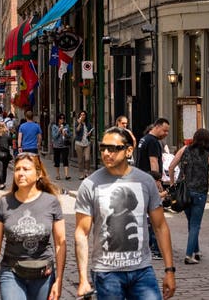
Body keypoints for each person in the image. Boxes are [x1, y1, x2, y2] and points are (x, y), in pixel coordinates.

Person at [74, 126, 176, 300]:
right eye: (103, 148)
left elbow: (160, 227)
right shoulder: (90, 184)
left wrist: (169, 270)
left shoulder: (145, 181)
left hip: (142, 270)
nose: (106, 153)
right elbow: (81, 233)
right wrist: (83, 279)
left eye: (113, 148)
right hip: (106, 272)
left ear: (129, 151)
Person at [0, 153, 66, 300]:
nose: (20, 173)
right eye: (17, 169)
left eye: (26, 169)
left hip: (43, 274)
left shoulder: (51, 202)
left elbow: (60, 244)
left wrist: (59, 281)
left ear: (38, 174)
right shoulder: (4, 203)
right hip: (12, 272)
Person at [168, 127, 209, 265]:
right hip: (200, 194)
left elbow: (171, 167)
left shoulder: (185, 149)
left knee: (192, 224)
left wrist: (173, 184)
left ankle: (196, 251)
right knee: (195, 225)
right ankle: (188, 255)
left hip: (184, 192)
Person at [135, 119, 170, 259]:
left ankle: (147, 245)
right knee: (155, 214)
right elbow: (153, 161)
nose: (166, 133)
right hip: (148, 181)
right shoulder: (153, 142)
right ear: (156, 127)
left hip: (140, 180)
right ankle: (156, 247)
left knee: (146, 214)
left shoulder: (144, 139)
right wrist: (157, 180)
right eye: (164, 130)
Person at [0, 121, 14, 189]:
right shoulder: (7, 135)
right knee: (5, 169)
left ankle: (1, 184)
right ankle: (4, 182)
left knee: (0, 169)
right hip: (6, 154)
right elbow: (11, 144)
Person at [50, 114, 71, 181]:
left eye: (63, 118)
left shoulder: (66, 126)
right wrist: (59, 130)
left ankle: (67, 175)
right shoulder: (54, 126)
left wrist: (66, 134)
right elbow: (54, 136)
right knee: (57, 160)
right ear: (58, 119)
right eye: (60, 118)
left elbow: (70, 135)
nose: (62, 120)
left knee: (65, 159)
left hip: (65, 145)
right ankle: (58, 175)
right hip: (57, 146)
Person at [74, 111, 93, 179]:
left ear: (85, 116)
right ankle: (81, 174)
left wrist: (89, 134)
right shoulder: (77, 123)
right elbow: (77, 131)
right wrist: (80, 123)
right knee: (80, 159)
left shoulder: (88, 123)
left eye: (84, 115)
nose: (82, 116)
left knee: (87, 158)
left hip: (87, 143)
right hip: (79, 143)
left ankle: (87, 172)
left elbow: (91, 131)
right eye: (81, 115)